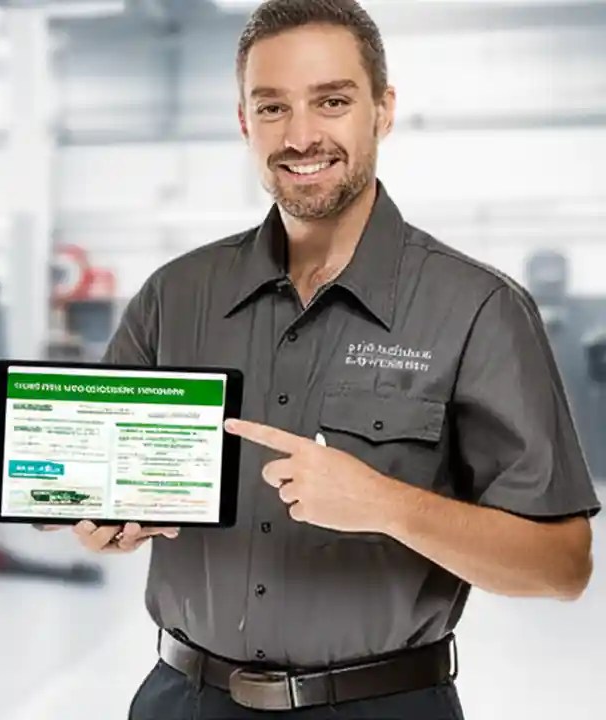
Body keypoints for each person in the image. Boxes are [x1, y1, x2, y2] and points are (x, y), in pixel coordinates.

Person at [41, 1, 601, 718]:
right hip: (182, 700)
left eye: (331, 101)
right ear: (245, 122)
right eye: (272, 107)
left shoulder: (479, 310)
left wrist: (387, 506)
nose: (300, 136)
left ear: (382, 110)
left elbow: (561, 567)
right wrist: (108, 522)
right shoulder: (174, 296)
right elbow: (106, 482)